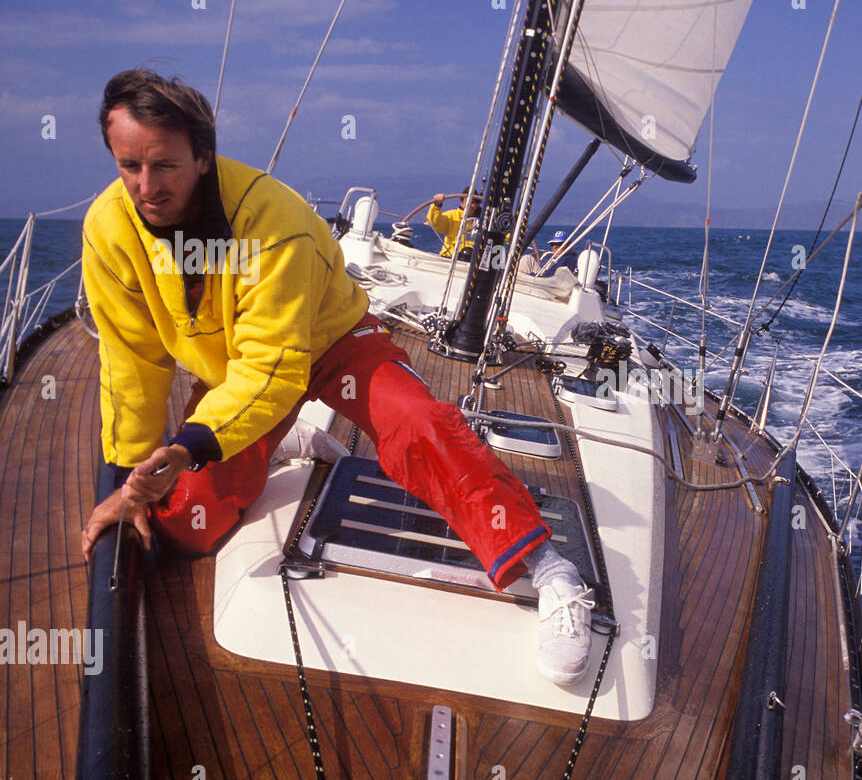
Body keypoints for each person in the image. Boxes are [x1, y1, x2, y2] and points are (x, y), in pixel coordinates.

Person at [79, 70, 593, 686]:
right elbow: (131, 364)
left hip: (332, 345)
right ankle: (283, 444)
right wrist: (130, 482)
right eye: (128, 165)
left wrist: (189, 442)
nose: (145, 186)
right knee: (190, 529)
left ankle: (549, 567)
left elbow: (276, 366)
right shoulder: (109, 230)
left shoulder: (273, 219)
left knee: (417, 424)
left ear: (203, 156)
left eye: (163, 165)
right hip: (238, 374)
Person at [426, 191, 482, 259]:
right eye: (467, 202)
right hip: (449, 257)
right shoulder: (452, 216)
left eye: (472, 203)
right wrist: (437, 206)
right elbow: (435, 223)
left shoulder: (484, 221)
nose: (469, 205)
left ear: (477, 205)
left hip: (473, 262)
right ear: (461, 203)